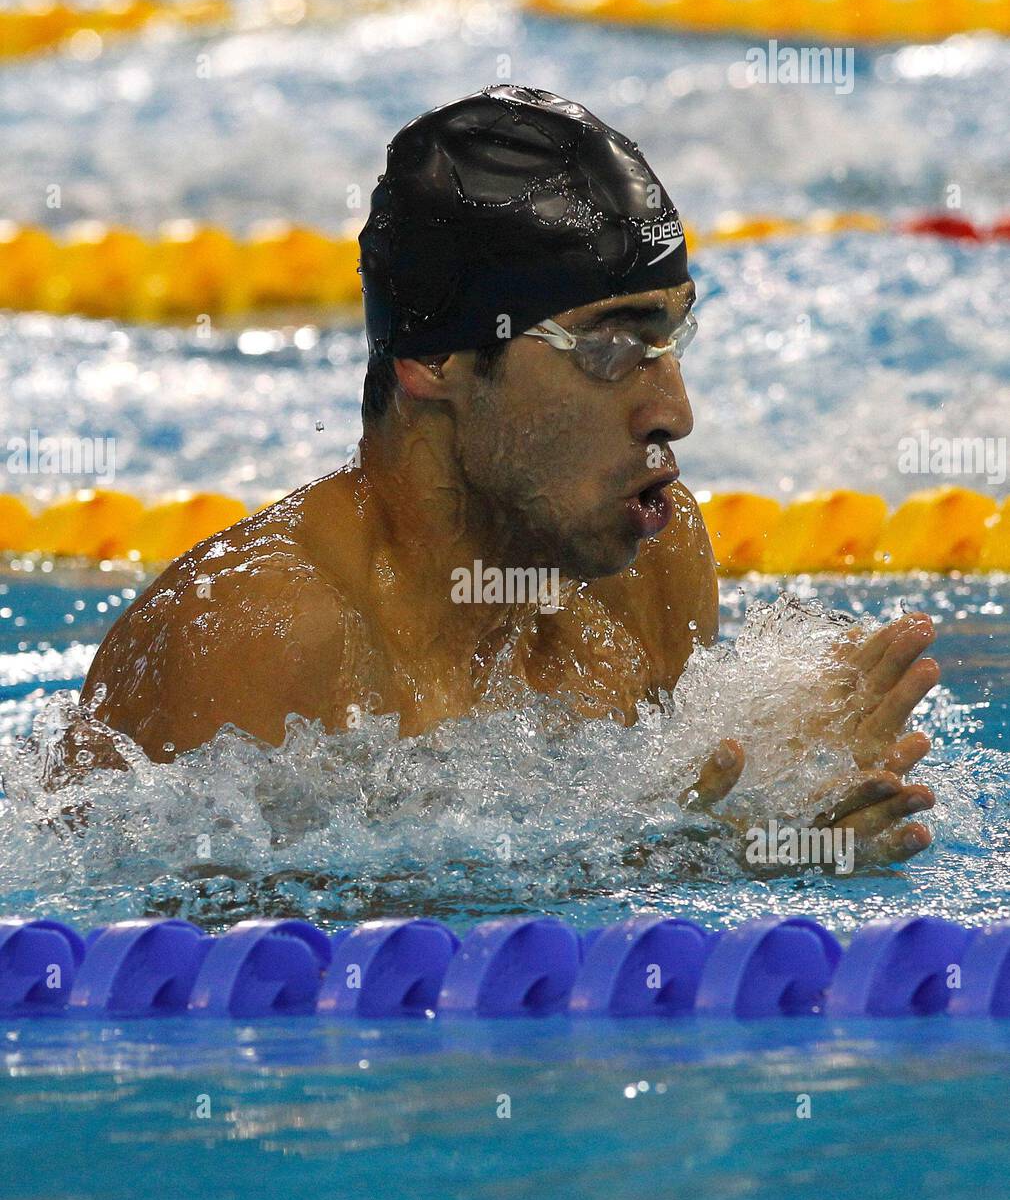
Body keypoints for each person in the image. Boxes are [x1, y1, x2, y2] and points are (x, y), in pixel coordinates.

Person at [71, 86, 938, 866]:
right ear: (433, 356)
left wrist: (787, 795)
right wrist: (689, 863)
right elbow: (215, 975)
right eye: (610, 343)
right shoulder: (259, 637)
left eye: (672, 336)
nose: (675, 409)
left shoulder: (646, 565)